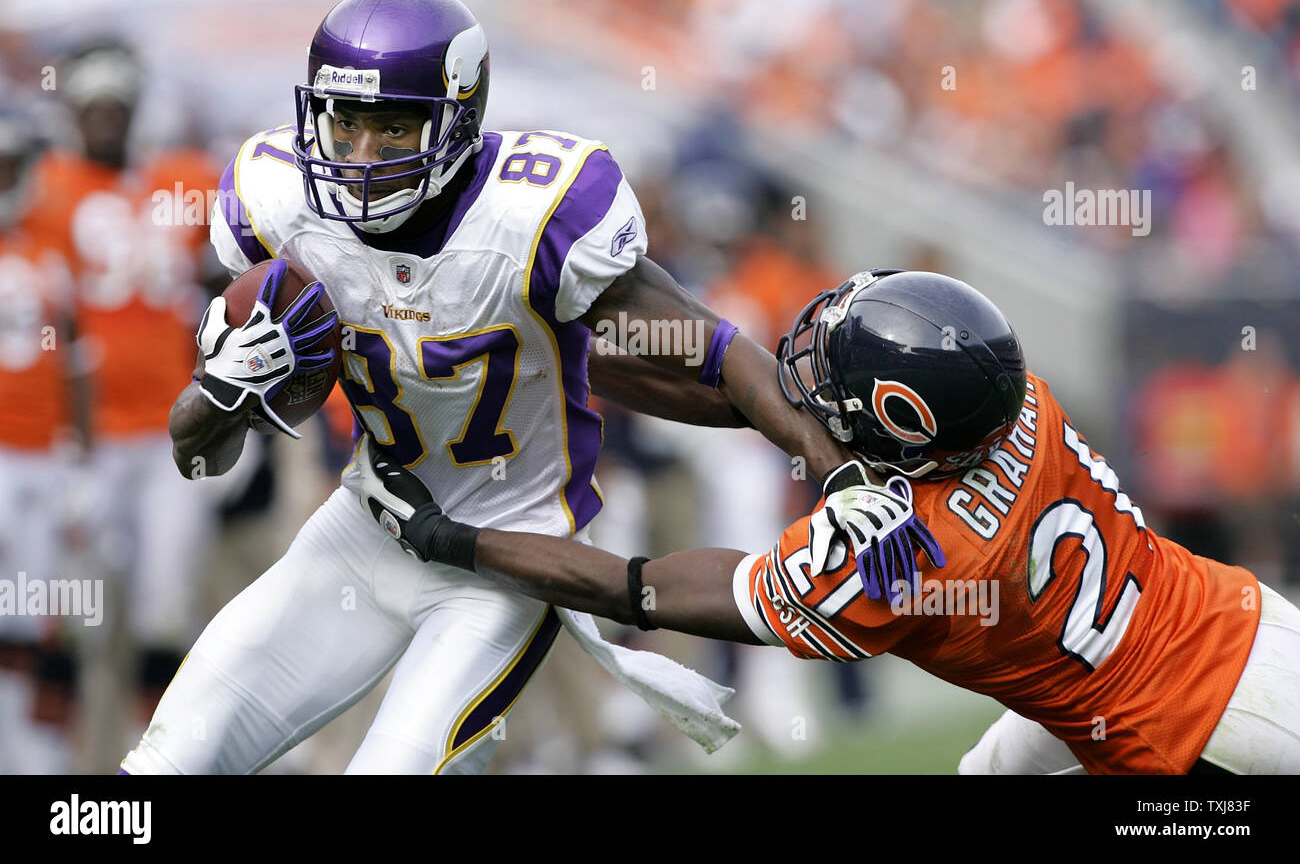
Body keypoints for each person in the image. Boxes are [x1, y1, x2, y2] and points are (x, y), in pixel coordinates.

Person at [121, 0, 863, 775]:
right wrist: (226, 388)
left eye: (394, 127)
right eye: (346, 125)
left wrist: (837, 469)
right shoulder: (278, 202)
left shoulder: (533, 210)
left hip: (507, 564)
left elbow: (713, 351)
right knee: (164, 765)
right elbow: (198, 455)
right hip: (365, 530)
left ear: (457, 120)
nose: (362, 157)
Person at [361, 268, 1300, 774]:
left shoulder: (915, 561)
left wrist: (454, 540)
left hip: (1192, 737)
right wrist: (567, 362)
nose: (811, 378)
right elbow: (797, 423)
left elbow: (640, 588)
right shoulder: (1025, 406)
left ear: (906, 423)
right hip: (1244, 628)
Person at [37, 39, 221, 744]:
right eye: (94, 107)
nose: (107, 120)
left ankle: (159, 758)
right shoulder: (48, 186)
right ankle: (57, 763)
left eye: (118, 106)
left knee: (165, 607)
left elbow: (226, 286)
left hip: (171, 433)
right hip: (78, 443)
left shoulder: (182, 181)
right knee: (75, 616)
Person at [0, 105, 89, 773]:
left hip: (44, 454)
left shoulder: (50, 246)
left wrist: (82, 453)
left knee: (38, 603)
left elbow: (78, 359)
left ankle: (35, 746)